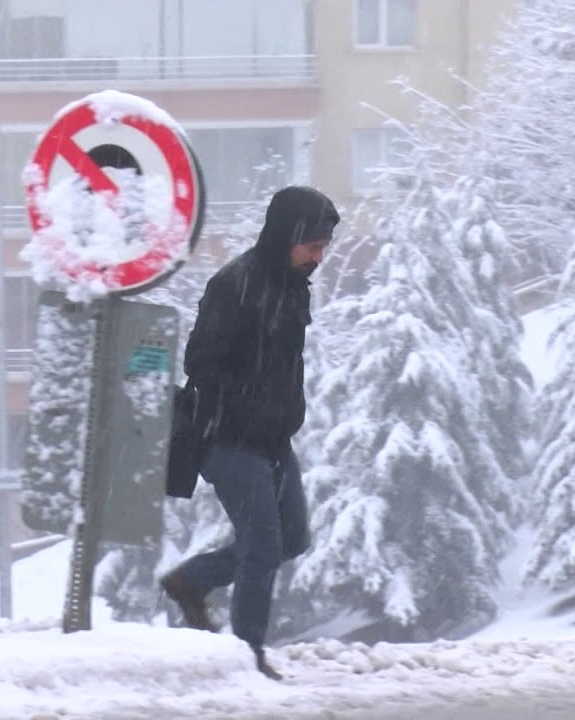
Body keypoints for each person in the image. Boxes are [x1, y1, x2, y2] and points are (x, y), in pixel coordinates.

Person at [160, 185, 339, 681]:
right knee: (261, 544)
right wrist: (243, 411)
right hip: (227, 439)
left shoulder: (290, 284)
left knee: (292, 538)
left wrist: (283, 415)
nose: (319, 257)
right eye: (313, 246)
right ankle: (247, 659)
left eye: (325, 247)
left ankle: (191, 581)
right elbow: (200, 362)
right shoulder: (234, 284)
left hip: (273, 439)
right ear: (288, 236)